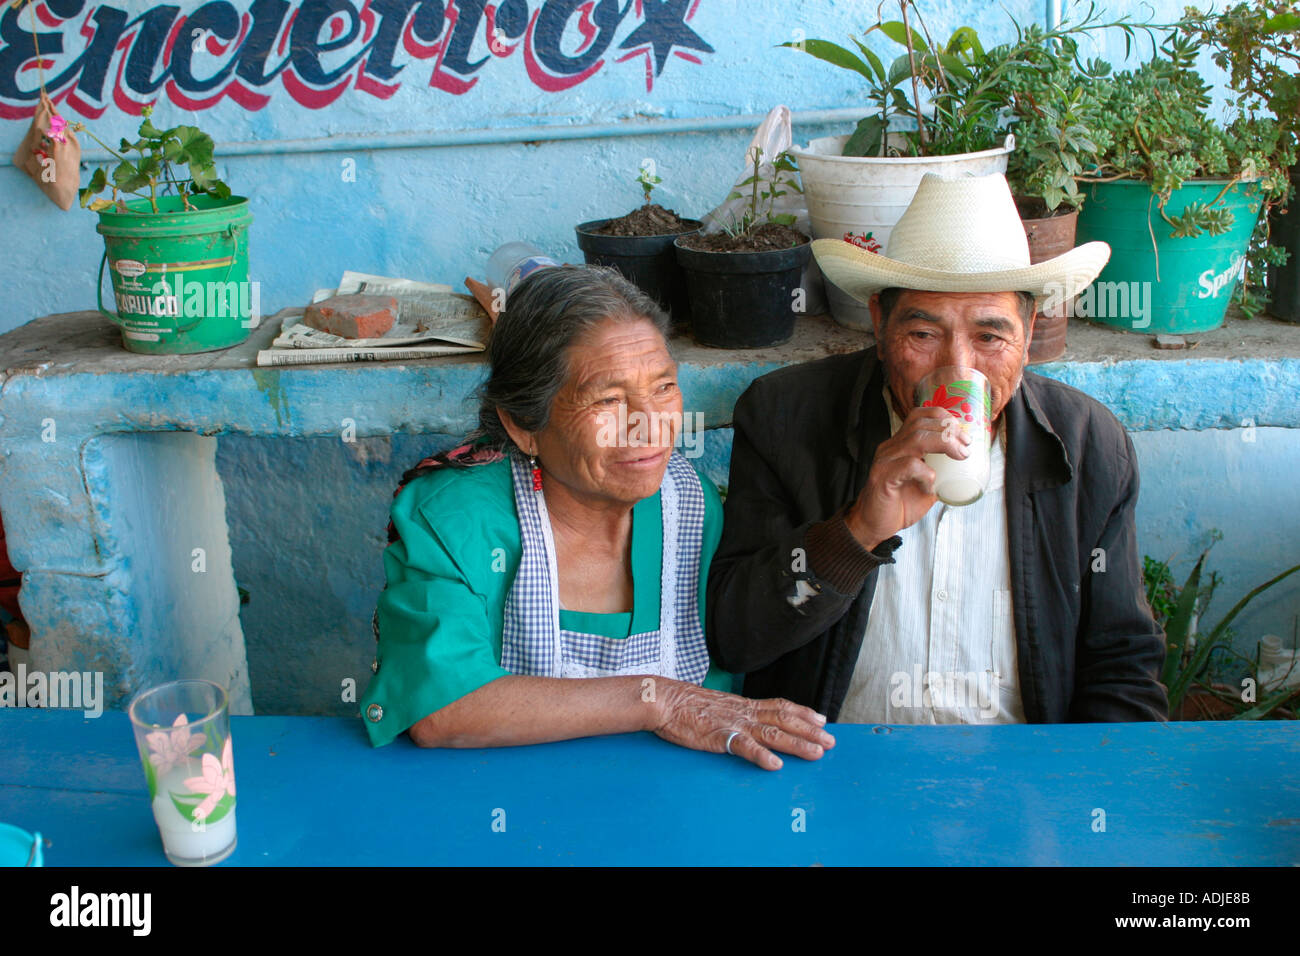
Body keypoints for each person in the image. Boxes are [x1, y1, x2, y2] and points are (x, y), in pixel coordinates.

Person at [707, 173, 1169, 724]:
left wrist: (1074, 796)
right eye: (923, 335)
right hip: (835, 766)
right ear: (879, 323)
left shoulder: (1090, 444)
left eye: (990, 337)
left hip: (1016, 778)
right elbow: (735, 638)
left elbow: (1122, 665)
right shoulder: (786, 418)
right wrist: (855, 533)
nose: (958, 369)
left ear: (1028, 333)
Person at [361, 265, 834, 769]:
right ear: (523, 424)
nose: (648, 427)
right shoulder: (455, 517)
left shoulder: (687, 502)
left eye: (663, 388)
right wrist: (658, 700)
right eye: (608, 399)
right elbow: (442, 710)